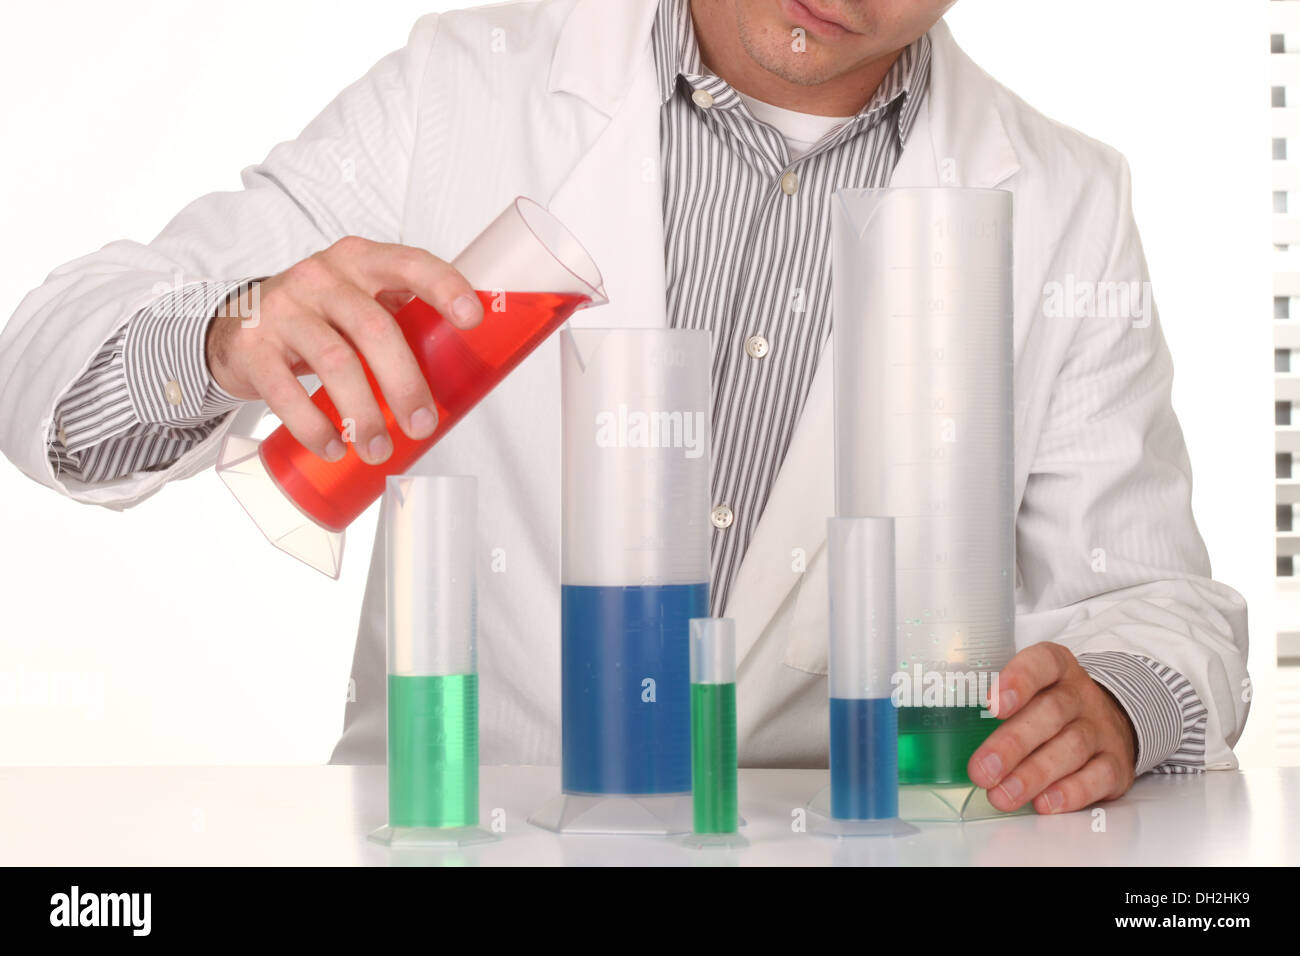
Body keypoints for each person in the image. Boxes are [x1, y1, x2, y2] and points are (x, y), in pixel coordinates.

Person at [0, 0, 1249, 814]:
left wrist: (1121, 697)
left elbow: (1156, 595)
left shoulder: (1064, 196)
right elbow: (46, 378)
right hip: (456, 834)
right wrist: (230, 331)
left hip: (838, 845)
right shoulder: (466, 93)